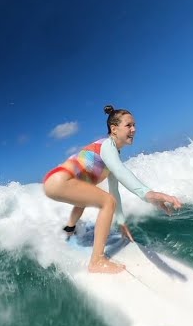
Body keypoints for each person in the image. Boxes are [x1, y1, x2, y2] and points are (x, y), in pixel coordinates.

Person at [42, 105, 182, 274]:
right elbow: (121, 172)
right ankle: (96, 261)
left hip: (55, 180)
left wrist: (121, 222)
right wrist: (148, 193)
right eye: (129, 125)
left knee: (87, 199)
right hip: (59, 179)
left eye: (134, 125)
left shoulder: (110, 154)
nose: (134, 129)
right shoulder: (107, 146)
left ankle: (68, 231)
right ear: (114, 129)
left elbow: (114, 189)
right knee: (107, 202)